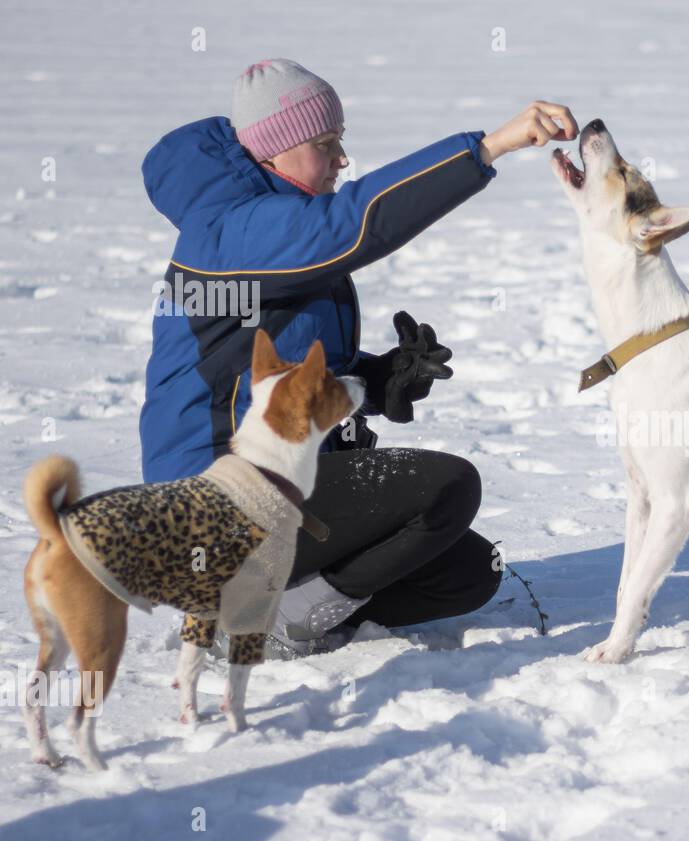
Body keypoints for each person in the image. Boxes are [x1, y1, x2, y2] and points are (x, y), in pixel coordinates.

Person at [139, 58, 577, 657]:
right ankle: (263, 621)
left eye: (341, 141)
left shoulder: (270, 226)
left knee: (469, 572)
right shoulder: (235, 231)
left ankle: (279, 604)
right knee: (447, 488)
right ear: (275, 150)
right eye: (326, 144)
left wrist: (378, 378)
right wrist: (489, 147)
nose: (342, 159)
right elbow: (355, 225)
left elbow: (273, 370)